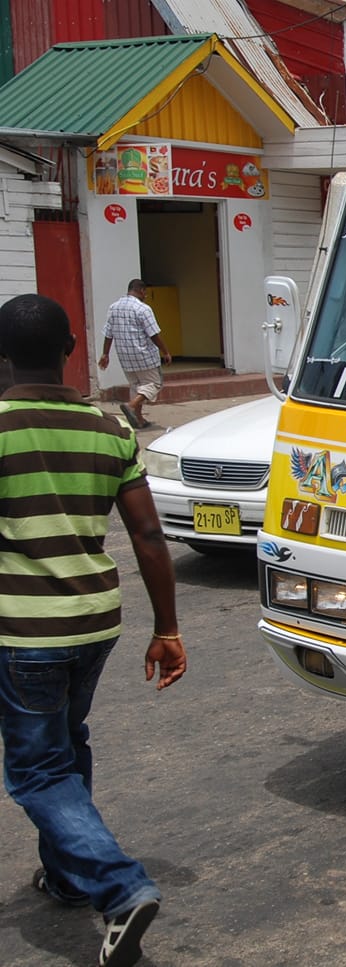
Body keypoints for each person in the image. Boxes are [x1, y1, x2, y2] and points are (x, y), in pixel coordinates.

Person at [0, 293, 187, 967]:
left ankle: (119, 885)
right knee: (64, 743)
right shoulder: (108, 427)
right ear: (72, 349)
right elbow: (146, 531)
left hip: (24, 631)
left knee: (35, 769)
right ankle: (66, 875)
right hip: (94, 624)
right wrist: (166, 626)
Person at [99, 279, 172, 430]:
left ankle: (139, 420)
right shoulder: (143, 309)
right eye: (145, 293)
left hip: (125, 356)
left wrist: (105, 354)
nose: (145, 296)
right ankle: (131, 405)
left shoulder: (114, 307)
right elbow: (154, 334)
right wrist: (165, 351)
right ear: (141, 291)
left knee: (136, 386)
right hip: (144, 355)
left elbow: (108, 333)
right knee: (154, 384)